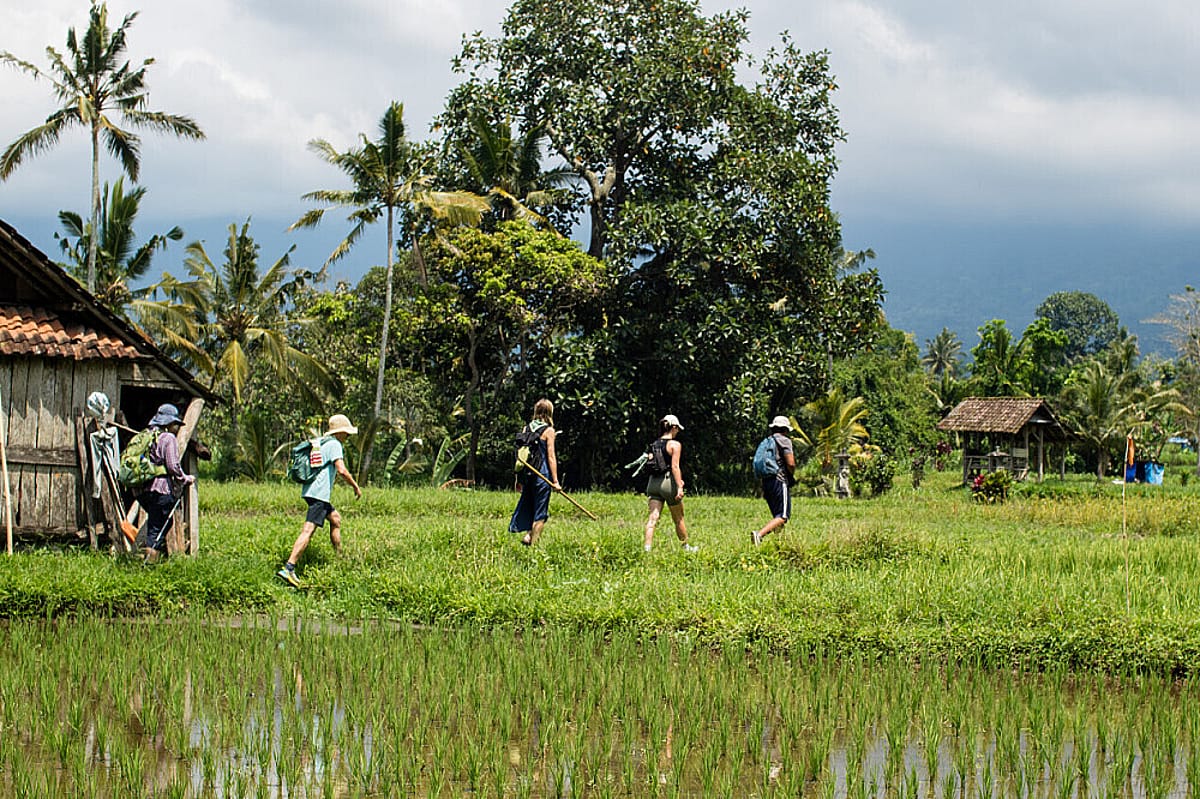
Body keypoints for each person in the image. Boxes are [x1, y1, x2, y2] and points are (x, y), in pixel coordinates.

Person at [277, 414, 362, 588]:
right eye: (346, 433)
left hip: (311, 491)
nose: (347, 437)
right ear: (340, 433)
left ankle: (340, 558)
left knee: (335, 519)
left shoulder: (323, 443)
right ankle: (289, 567)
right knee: (308, 530)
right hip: (319, 495)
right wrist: (355, 486)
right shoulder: (335, 445)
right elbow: (342, 470)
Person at [137, 403, 195, 563]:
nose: (176, 427)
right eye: (175, 424)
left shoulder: (147, 435)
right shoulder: (168, 438)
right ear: (169, 423)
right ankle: (147, 564)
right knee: (156, 529)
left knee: (160, 523)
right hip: (161, 489)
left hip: (144, 490)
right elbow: (173, 466)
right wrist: (185, 479)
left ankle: (147, 558)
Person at [509, 398, 561, 546]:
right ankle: (534, 546)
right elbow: (551, 457)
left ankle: (528, 535)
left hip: (528, 476)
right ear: (550, 413)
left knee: (530, 506)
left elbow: (521, 455)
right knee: (540, 513)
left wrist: (518, 480)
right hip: (542, 476)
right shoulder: (549, 431)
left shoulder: (526, 429)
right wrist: (555, 481)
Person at [643, 414, 697, 552]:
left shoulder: (653, 444)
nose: (678, 431)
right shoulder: (674, 445)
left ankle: (647, 548)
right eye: (677, 428)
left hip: (653, 483)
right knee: (678, 518)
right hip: (667, 483)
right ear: (673, 427)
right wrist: (680, 486)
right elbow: (675, 467)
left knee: (653, 517)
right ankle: (686, 547)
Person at [752, 415, 796, 546]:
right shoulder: (784, 440)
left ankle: (780, 544)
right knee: (783, 516)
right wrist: (791, 475)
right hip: (779, 480)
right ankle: (759, 535)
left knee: (777, 516)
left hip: (766, 482)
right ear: (785, 429)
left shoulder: (767, 441)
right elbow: (791, 463)